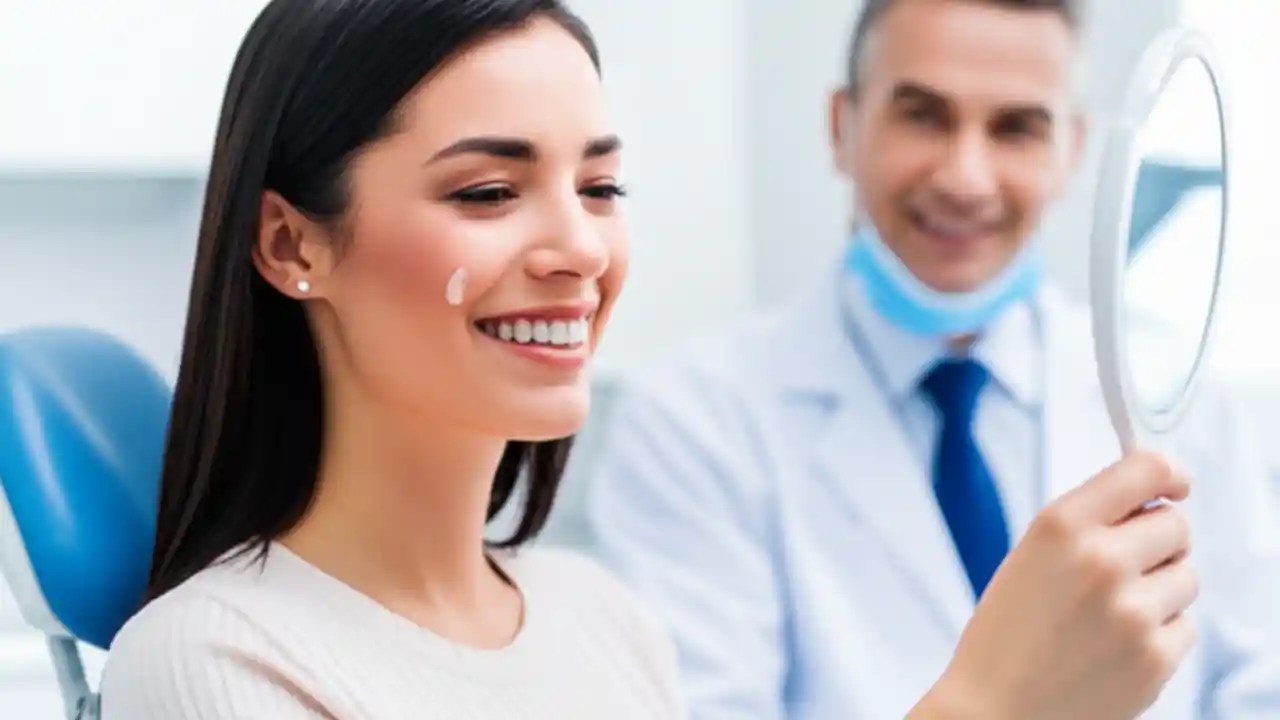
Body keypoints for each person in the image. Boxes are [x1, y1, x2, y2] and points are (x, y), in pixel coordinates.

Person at [587, 0, 1280, 718]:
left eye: (1016, 128)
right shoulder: (694, 421)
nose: (965, 179)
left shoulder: (1187, 409)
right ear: (842, 128)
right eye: (923, 116)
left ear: (1071, 151)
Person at [97, 1, 686, 718]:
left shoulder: (610, 621)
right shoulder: (216, 658)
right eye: (489, 193)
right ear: (290, 245)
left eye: (599, 189)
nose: (584, 250)